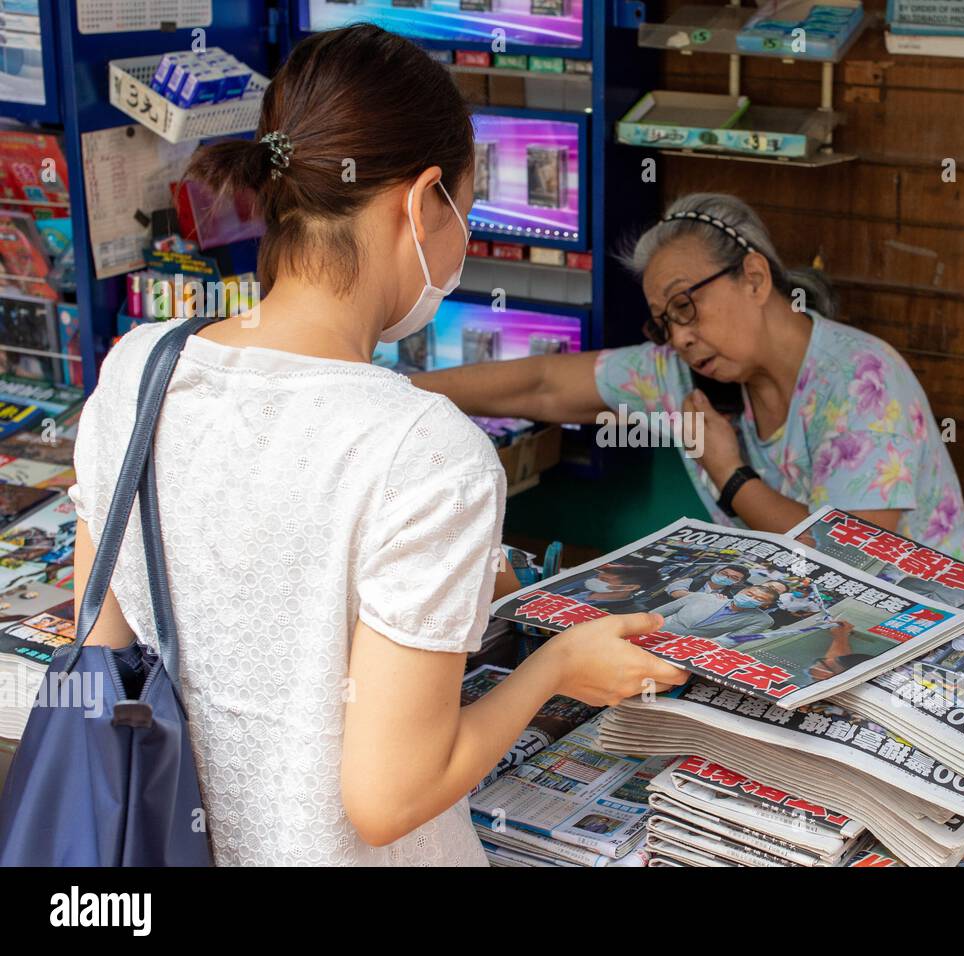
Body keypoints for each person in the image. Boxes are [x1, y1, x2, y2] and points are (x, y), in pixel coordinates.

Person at [69, 24, 683, 867]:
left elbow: (102, 647)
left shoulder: (139, 371)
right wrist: (556, 668)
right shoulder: (425, 454)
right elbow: (388, 798)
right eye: (464, 209)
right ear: (423, 199)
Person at [413, 194, 964, 570]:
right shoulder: (682, 371)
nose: (681, 335)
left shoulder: (863, 381)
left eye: (687, 305)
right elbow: (542, 385)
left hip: (944, 629)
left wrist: (730, 474)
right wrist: (398, 391)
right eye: (665, 319)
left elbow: (852, 560)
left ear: (754, 277)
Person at [652, 584, 780, 641]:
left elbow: (730, 640)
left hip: (684, 645)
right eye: (749, 594)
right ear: (742, 591)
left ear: (766, 605)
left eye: (759, 599)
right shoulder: (703, 596)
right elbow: (658, 613)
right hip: (655, 630)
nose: (750, 599)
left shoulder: (762, 620)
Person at [664, 563, 747, 599]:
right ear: (716, 572)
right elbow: (676, 593)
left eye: (734, 578)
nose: (726, 577)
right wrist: (709, 598)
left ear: (738, 582)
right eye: (724, 573)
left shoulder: (728, 597)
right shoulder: (691, 581)